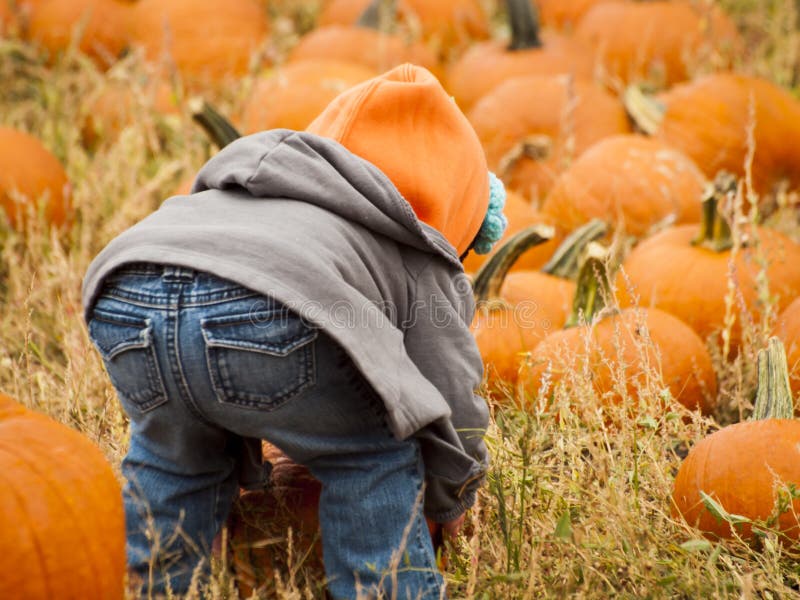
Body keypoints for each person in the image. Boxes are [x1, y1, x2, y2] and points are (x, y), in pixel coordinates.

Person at [82, 63, 507, 599]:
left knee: (174, 460)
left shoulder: (260, 183)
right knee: (372, 456)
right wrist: (451, 495)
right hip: (269, 306)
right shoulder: (413, 247)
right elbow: (451, 390)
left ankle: (156, 587)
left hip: (127, 289)